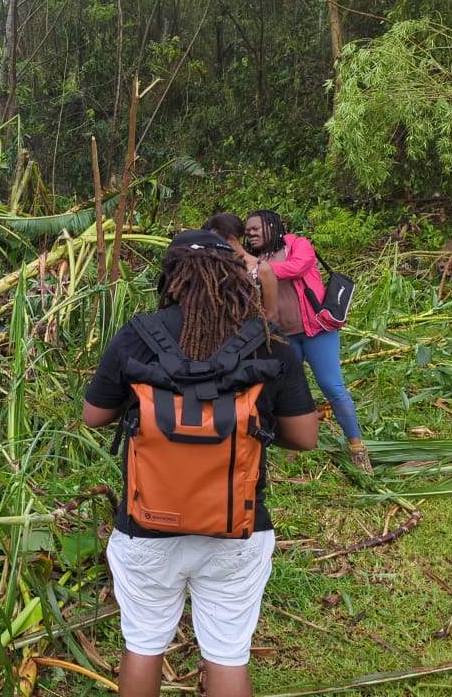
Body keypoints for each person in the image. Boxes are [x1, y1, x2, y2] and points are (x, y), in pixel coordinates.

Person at [83, 230, 319, 697]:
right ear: (235, 276)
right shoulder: (269, 343)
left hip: (146, 525)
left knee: (143, 645)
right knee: (228, 654)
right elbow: (305, 437)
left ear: (171, 278)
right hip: (238, 527)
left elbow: (93, 415)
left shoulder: (138, 335)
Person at [243, 209, 371, 474]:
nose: (250, 233)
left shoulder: (297, 245)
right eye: (247, 231)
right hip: (284, 336)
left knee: (332, 387)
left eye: (255, 228)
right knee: (289, 393)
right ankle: (294, 448)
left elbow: (297, 268)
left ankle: (357, 448)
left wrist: (257, 269)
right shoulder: (254, 259)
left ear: (272, 226)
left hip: (316, 332)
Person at [203, 212, 278, 324]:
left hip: (254, 332)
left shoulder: (261, 269)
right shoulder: (215, 267)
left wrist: (252, 333)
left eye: (215, 243)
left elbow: (272, 314)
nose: (212, 249)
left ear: (231, 240)